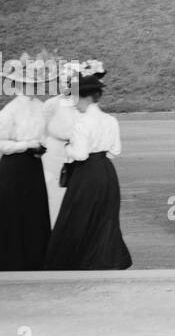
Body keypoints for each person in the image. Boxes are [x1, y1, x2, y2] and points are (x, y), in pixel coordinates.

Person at [44, 66, 132, 271]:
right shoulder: (111, 120)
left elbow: (80, 154)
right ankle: (106, 258)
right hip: (107, 172)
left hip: (86, 173)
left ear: (84, 98)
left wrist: (68, 149)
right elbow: (115, 151)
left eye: (75, 98)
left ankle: (77, 260)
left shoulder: (82, 123)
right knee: (105, 216)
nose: (74, 104)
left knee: (77, 215)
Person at [0, 60, 51, 272]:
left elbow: (43, 133)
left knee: (33, 211)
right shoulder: (9, 111)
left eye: (36, 84)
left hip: (33, 165)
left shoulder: (40, 107)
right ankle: (5, 259)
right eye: (28, 84)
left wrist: (40, 145)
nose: (33, 88)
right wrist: (26, 145)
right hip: (13, 167)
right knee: (10, 212)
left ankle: (34, 258)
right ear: (18, 85)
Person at [42, 62, 82, 227]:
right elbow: (42, 131)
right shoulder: (51, 104)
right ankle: (53, 227)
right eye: (62, 80)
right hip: (54, 152)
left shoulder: (82, 104)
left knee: (75, 192)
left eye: (70, 81)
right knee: (54, 191)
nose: (66, 84)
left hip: (76, 151)